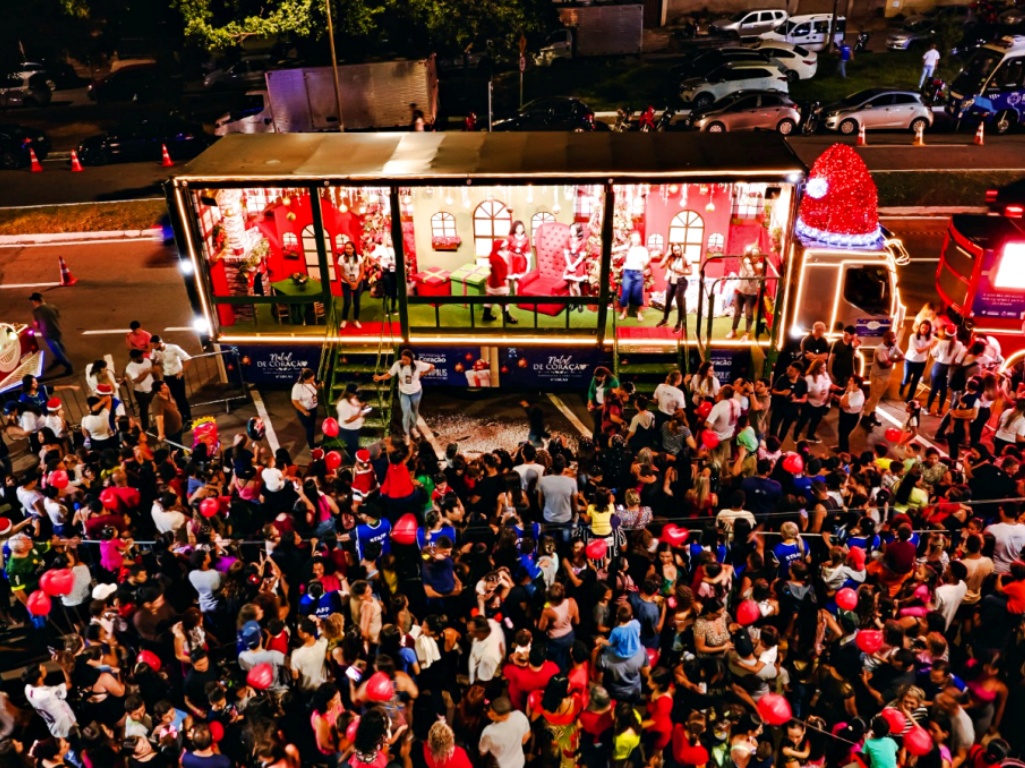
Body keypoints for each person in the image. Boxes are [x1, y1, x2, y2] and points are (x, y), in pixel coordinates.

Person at [373, 348, 436, 438]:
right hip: (404, 393)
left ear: (411, 359)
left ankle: (413, 428)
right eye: (403, 359)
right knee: (406, 412)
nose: (404, 361)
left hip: (416, 392)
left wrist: (423, 373)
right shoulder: (398, 364)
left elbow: (432, 366)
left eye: (406, 359)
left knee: (414, 411)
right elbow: (389, 374)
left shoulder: (418, 365)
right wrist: (379, 378)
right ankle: (406, 433)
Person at [863, 330, 904, 428]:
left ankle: (872, 414)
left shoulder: (893, 345)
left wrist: (891, 360)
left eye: (895, 338)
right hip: (877, 376)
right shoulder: (880, 349)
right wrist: (894, 359)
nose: (895, 340)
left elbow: (902, 356)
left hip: (886, 376)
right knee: (873, 398)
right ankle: (865, 417)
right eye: (893, 338)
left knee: (878, 397)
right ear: (886, 339)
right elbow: (884, 364)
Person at [150, 334, 193, 421]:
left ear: (160, 343)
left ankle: (187, 418)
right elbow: (152, 360)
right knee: (170, 398)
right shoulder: (155, 351)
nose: (154, 348)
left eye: (155, 345)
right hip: (167, 377)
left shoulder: (173, 348)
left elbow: (188, 358)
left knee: (181, 398)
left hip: (176, 376)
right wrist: (155, 364)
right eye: (153, 346)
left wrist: (182, 372)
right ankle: (178, 417)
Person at [480, 696, 530, 768]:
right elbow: (525, 738)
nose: (488, 714)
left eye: (493, 714)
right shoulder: (520, 715)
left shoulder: (489, 731)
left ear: (504, 716)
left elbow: (483, 751)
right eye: (489, 711)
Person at [29, 292, 72, 376]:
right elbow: (57, 316)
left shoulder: (36, 311)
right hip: (57, 330)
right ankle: (59, 358)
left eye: (33, 301)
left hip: (48, 335)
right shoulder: (52, 307)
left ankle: (68, 366)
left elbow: (36, 324)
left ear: (36, 302)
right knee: (60, 345)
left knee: (57, 352)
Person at [726, 248, 763, 340]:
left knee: (749, 314)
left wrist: (751, 261)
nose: (753, 257)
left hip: (751, 293)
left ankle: (747, 333)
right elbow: (742, 257)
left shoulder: (761, 265)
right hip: (740, 290)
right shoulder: (745, 261)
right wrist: (747, 254)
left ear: (759, 256)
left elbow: (757, 272)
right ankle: (733, 330)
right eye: (752, 254)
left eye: (756, 255)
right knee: (737, 312)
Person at [657, 242, 692, 333]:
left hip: (681, 281)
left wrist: (682, 271)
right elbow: (660, 265)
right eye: (675, 250)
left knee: (679, 303)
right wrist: (667, 255)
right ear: (672, 251)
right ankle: (665, 319)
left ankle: (679, 324)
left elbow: (690, 271)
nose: (677, 251)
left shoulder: (686, 257)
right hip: (672, 279)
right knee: (668, 301)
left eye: (678, 249)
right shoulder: (671, 257)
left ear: (681, 249)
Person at [483, 239, 518, 325]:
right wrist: (506, 278)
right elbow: (498, 274)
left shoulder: (497, 255)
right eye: (505, 246)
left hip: (493, 282)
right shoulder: (496, 258)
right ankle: (507, 317)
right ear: (501, 247)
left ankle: (486, 315)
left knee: (489, 299)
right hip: (498, 283)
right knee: (504, 301)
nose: (506, 247)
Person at [617, 231, 650, 321]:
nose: (635, 240)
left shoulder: (643, 250)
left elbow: (646, 263)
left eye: (637, 238)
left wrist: (650, 258)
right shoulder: (627, 248)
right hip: (627, 273)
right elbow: (614, 250)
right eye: (633, 238)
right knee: (625, 292)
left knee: (637, 293)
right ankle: (624, 312)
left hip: (638, 274)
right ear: (631, 239)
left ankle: (639, 313)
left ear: (639, 239)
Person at [901, 320, 936, 403]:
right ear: (920, 327)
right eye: (923, 327)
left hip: (921, 362)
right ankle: (902, 386)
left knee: (915, 381)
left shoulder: (930, 337)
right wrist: (930, 345)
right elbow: (919, 351)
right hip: (910, 361)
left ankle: (909, 398)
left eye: (927, 328)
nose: (924, 330)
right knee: (906, 379)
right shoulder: (913, 337)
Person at [125, 348, 156, 433]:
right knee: (144, 411)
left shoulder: (147, 361)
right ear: (133, 359)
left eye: (141, 355)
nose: (141, 357)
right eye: (139, 356)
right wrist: (146, 372)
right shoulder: (130, 368)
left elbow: (152, 372)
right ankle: (146, 428)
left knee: (158, 406)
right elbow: (137, 380)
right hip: (141, 392)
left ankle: (161, 422)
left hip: (152, 389)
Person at [339, 240, 366, 329]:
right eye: (346, 248)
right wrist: (350, 283)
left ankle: (355, 319)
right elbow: (341, 273)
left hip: (358, 282)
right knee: (347, 302)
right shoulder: (342, 258)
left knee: (357, 302)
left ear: (354, 249)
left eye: (350, 248)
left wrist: (356, 283)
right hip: (346, 283)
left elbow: (362, 271)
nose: (348, 250)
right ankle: (344, 319)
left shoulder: (358, 257)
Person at [335, 383, 367, 460]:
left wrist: (361, 405)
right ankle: (352, 462)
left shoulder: (352, 398)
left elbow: (356, 405)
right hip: (348, 431)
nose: (356, 396)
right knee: (353, 449)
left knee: (354, 446)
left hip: (354, 429)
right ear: (349, 393)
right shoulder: (343, 404)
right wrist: (360, 414)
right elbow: (347, 420)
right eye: (354, 394)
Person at [290, 367, 319, 450]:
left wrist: (319, 386)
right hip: (305, 411)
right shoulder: (297, 387)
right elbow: (295, 401)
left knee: (312, 426)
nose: (313, 380)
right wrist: (304, 411)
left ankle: (312, 443)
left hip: (313, 408)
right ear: (305, 379)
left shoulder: (311, 382)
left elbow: (314, 390)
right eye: (311, 379)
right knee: (310, 428)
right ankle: (312, 446)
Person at [371, 233, 398, 314]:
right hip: (386, 272)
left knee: (394, 290)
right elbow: (371, 256)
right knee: (387, 291)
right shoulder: (381, 248)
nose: (390, 240)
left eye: (391, 238)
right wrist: (378, 264)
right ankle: (386, 309)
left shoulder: (396, 248)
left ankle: (393, 308)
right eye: (388, 238)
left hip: (395, 271)